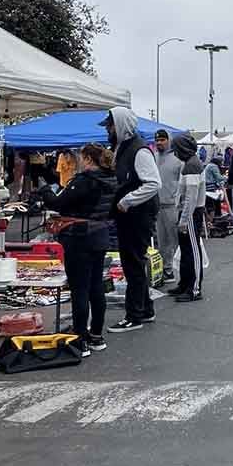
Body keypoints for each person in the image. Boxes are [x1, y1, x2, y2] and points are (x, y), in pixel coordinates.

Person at [37, 144, 117, 356]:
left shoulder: (85, 181)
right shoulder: (110, 178)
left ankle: (80, 338)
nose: (80, 161)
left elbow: (58, 203)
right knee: (95, 286)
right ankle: (97, 335)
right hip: (99, 234)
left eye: (82, 157)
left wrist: (45, 189)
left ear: (88, 159)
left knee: (80, 289)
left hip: (80, 237)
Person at [100, 107, 161, 333]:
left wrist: (127, 201)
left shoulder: (138, 150)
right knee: (134, 263)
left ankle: (134, 316)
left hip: (138, 216)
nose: (108, 129)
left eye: (110, 125)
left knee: (133, 264)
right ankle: (145, 309)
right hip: (130, 215)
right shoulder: (122, 147)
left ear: (120, 125)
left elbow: (153, 183)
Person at [169, 134, 206, 301]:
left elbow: (190, 198)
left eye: (176, 150)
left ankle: (194, 289)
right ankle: (185, 283)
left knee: (192, 250)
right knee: (186, 250)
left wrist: (183, 219)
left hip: (191, 213)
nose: (175, 153)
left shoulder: (192, 166)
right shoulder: (190, 163)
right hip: (188, 212)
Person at [154, 129, 183, 281]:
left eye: (162, 140)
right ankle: (167, 270)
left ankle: (182, 271)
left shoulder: (177, 158)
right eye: (157, 140)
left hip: (172, 205)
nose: (159, 143)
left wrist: (179, 201)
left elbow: (182, 182)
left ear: (169, 140)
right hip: (158, 205)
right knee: (162, 240)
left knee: (176, 240)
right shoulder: (153, 157)